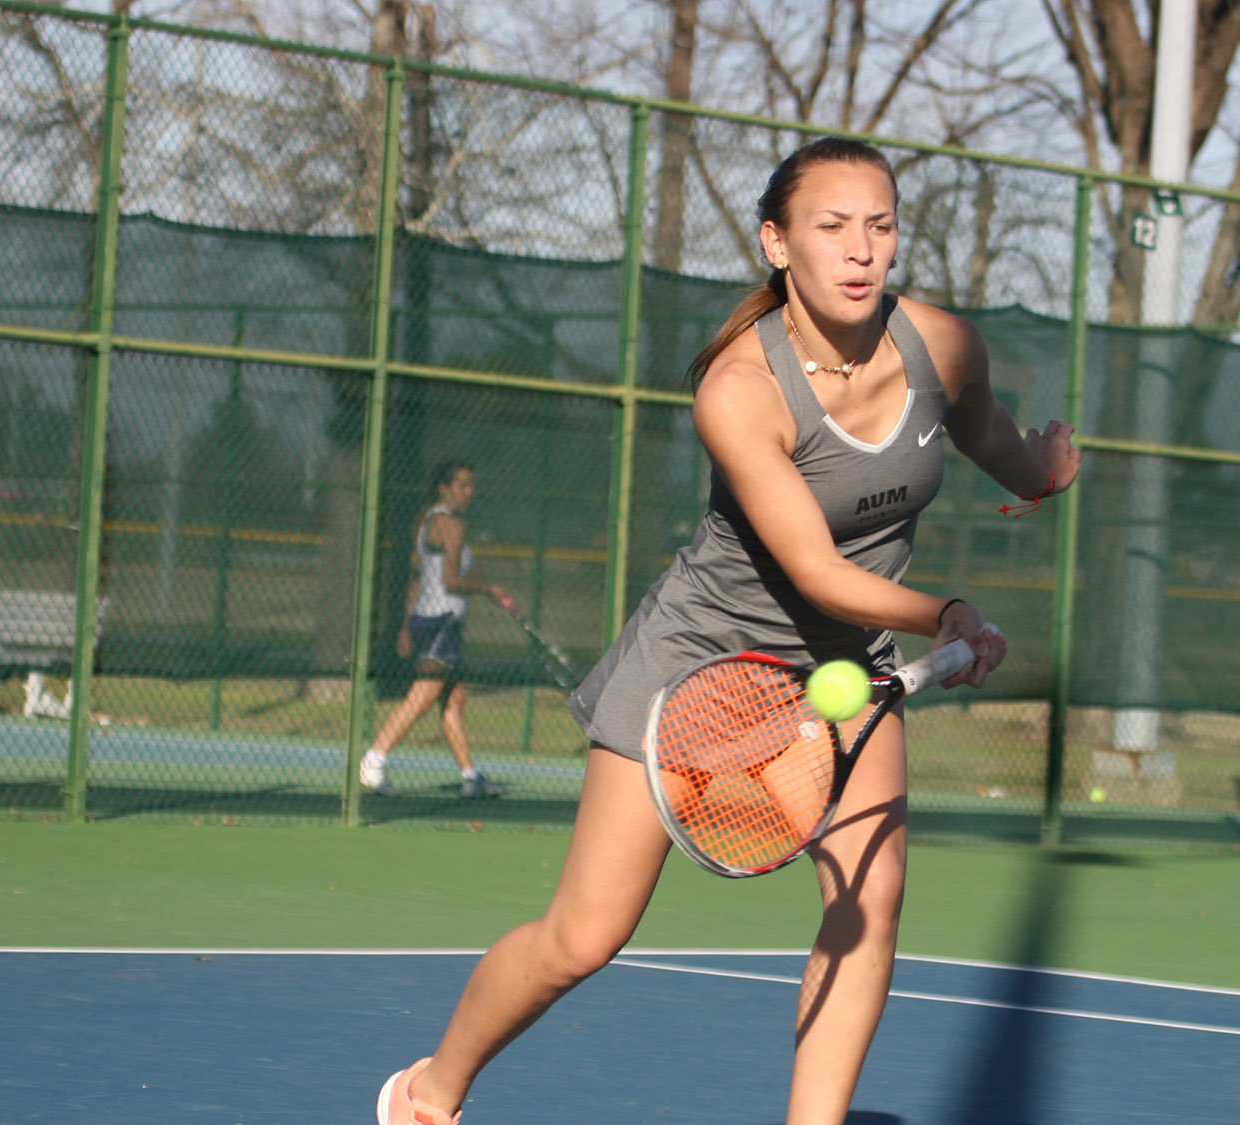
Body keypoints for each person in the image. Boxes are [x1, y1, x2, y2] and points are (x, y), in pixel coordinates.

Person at [374, 136, 1081, 1125]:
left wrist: (1040, 471)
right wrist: (944, 615)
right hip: (697, 668)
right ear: (776, 242)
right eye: (831, 226)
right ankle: (429, 1090)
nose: (860, 249)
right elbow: (815, 570)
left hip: (844, 665)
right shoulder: (740, 390)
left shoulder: (942, 346)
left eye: (879, 226)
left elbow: (985, 431)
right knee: (583, 936)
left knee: (868, 904)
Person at [359, 459, 510, 800]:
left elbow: (417, 578)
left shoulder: (426, 521)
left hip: (425, 621)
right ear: (443, 488)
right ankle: (373, 759)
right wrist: (489, 589)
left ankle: (471, 777)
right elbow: (451, 581)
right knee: (425, 694)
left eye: (472, 485)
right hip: (443, 622)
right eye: (462, 485)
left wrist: (406, 626)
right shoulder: (452, 526)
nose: (469, 492)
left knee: (453, 699)